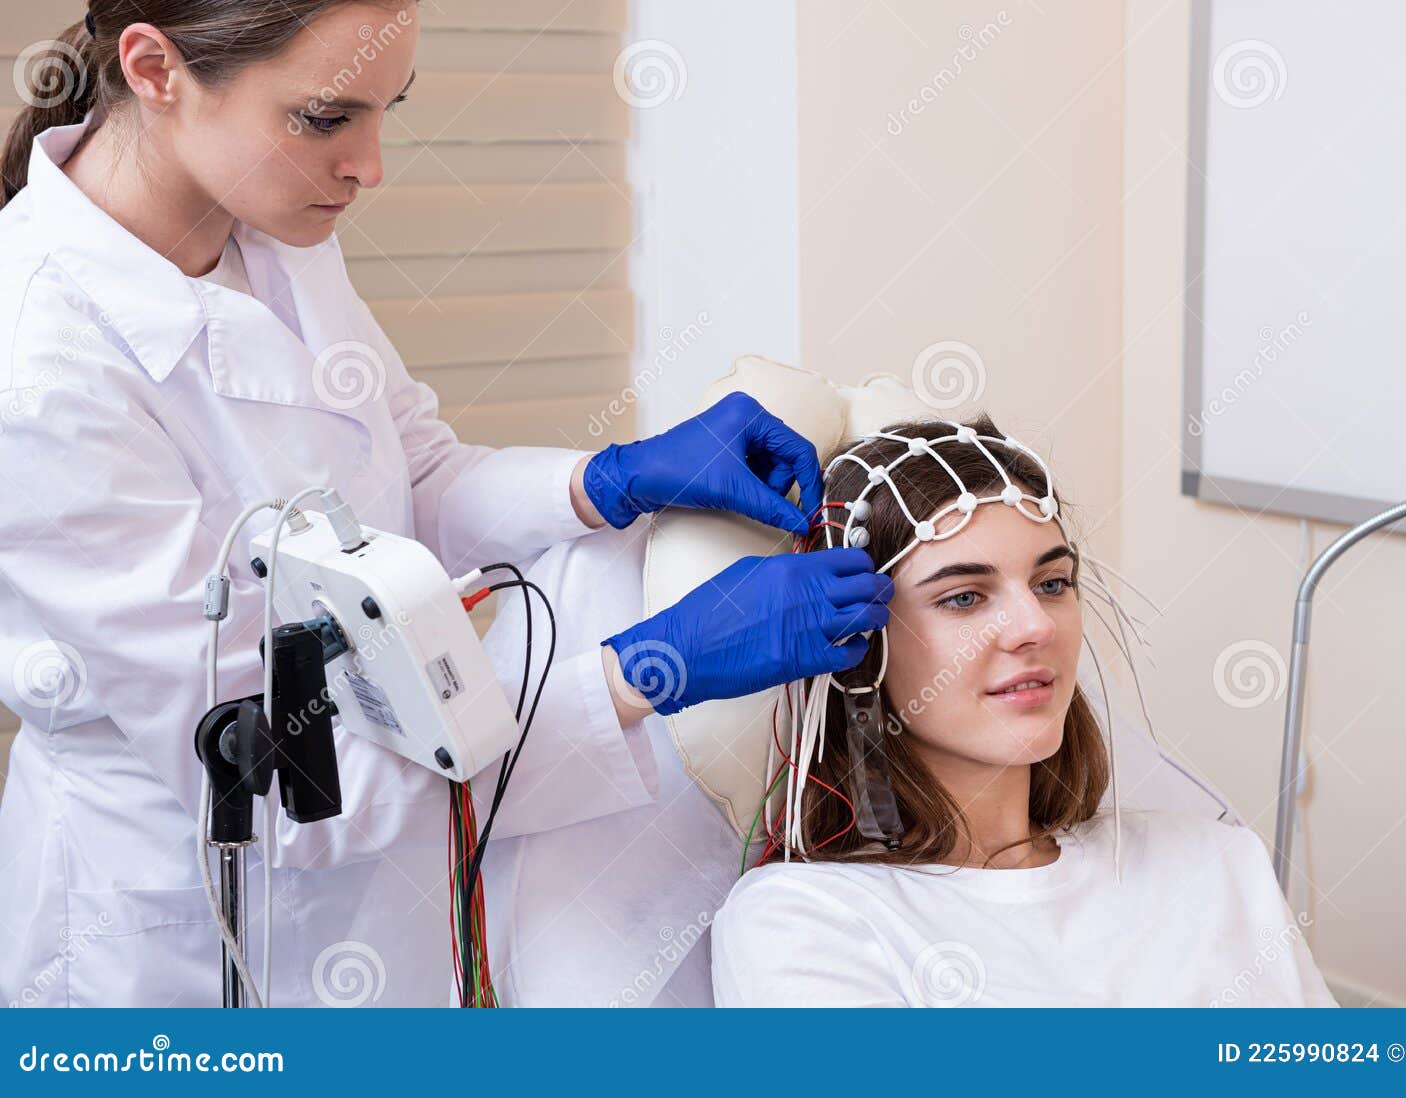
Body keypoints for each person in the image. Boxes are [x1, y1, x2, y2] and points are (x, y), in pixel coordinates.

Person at [0, 1, 888, 1007]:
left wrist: (605, 481)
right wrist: (653, 669)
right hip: (180, 939)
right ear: (155, 68)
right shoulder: (39, 367)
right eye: (326, 119)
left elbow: (401, 483)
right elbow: (292, 773)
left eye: (388, 111)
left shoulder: (269, 222)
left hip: (381, 918)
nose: (369, 166)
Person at [710, 417, 1338, 1007]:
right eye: (964, 597)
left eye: (1052, 584)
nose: (1035, 626)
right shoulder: (808, 921)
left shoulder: (1215, 862)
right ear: (855, 645)